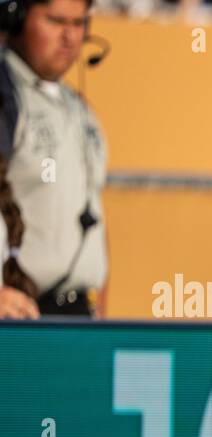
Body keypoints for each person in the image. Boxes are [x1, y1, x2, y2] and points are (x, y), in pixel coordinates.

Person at [0, 0, 108, 315]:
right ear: (15, 18)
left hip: (78, 318)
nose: (70, 36)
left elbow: (95, 214)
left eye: (79, 23)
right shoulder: (7, 95)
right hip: (24, 317)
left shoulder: (79, 108)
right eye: (56, 21)